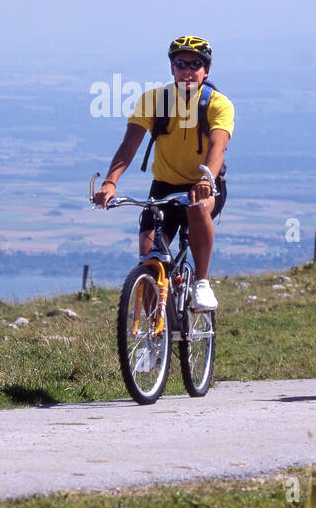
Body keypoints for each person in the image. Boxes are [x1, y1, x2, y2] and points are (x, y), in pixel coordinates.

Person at [92, 35, 233, 310]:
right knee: (148, 263)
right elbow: (129, 144)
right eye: (181, 63)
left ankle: (202, 282)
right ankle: (155, 339)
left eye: (195, 64)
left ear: (206, 70)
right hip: (164, 188)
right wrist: (110, 182)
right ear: (172, 68)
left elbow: (218, 145)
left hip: (204, 186)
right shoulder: (154, 100)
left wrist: (206, 179)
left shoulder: (218, 104)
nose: (187, 70)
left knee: (196, 207)